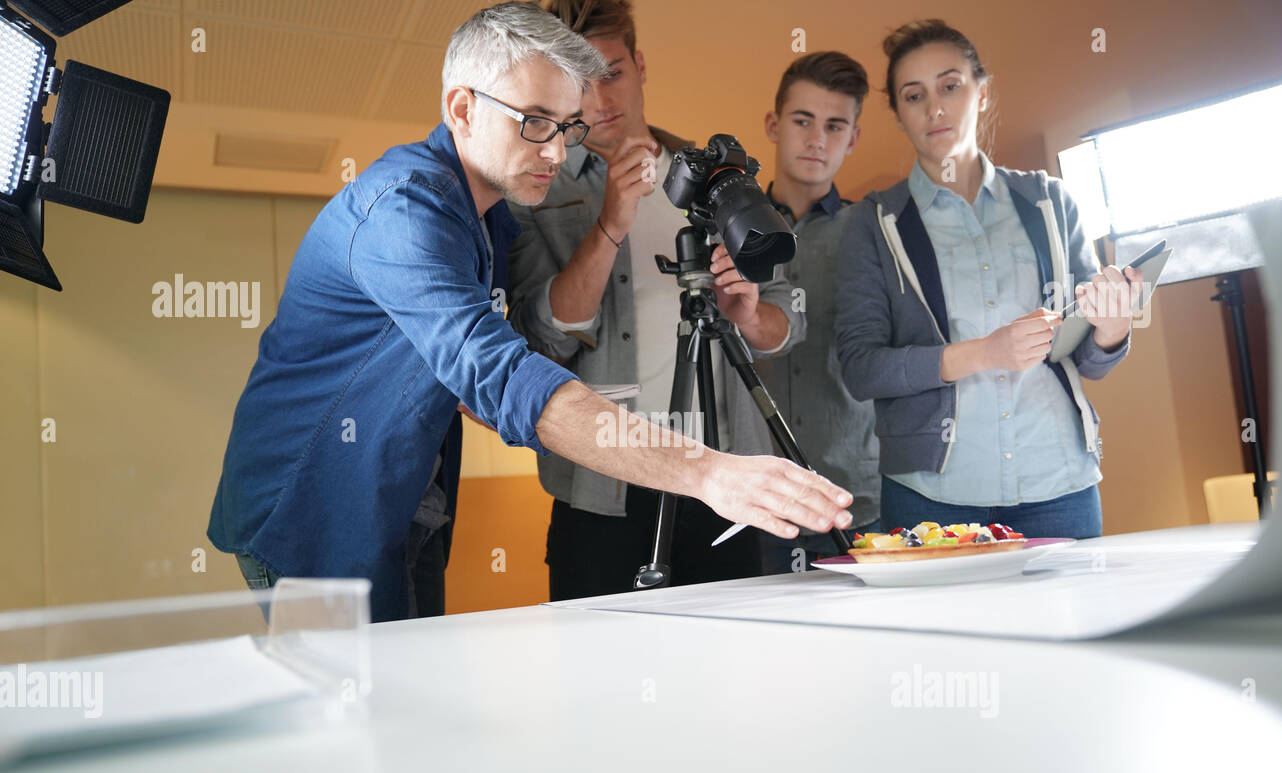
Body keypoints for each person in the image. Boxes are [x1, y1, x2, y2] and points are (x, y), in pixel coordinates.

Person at [207, 2, 853, 623]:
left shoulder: (490, 221)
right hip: (317, 506)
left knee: (405, 706)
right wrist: (707, 469)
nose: (556, 151)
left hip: (408, 498)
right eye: (535, 121)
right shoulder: (403, 210)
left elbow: (475, 372)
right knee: (362, 715)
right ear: (462, 109)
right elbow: (509, 376)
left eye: (567, 126)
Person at [508, 0, 807, 601]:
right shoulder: (539, 191)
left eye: (613, 71)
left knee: (735, 672)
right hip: (604, 482)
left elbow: (787, 326)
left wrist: (747, 312)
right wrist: (611, 222)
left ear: (640, 64)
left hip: (724, 472)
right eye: (578, 82)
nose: (599, 97)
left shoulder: (721, 179)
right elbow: (546, 338)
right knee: (602, 678)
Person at [835, 20, 1144, 540]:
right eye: (914, 95)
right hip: (931, 496)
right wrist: (984, 352)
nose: (935, 108)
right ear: (899, 114)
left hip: (1061, 483)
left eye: (950, 85)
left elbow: (1088, 358)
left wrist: (1111, 327)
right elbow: (862, 369)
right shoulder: (873, 224)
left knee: (1077, 625)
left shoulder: (1050, 203)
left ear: (982, 91)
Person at [755, 51, 881, 574]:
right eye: (802, 121)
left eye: (834, 126)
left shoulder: (875, 233)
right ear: (773, 125)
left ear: (852, 138)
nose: (816, 140)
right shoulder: (728, 232)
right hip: (755, 501)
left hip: (855, 496)